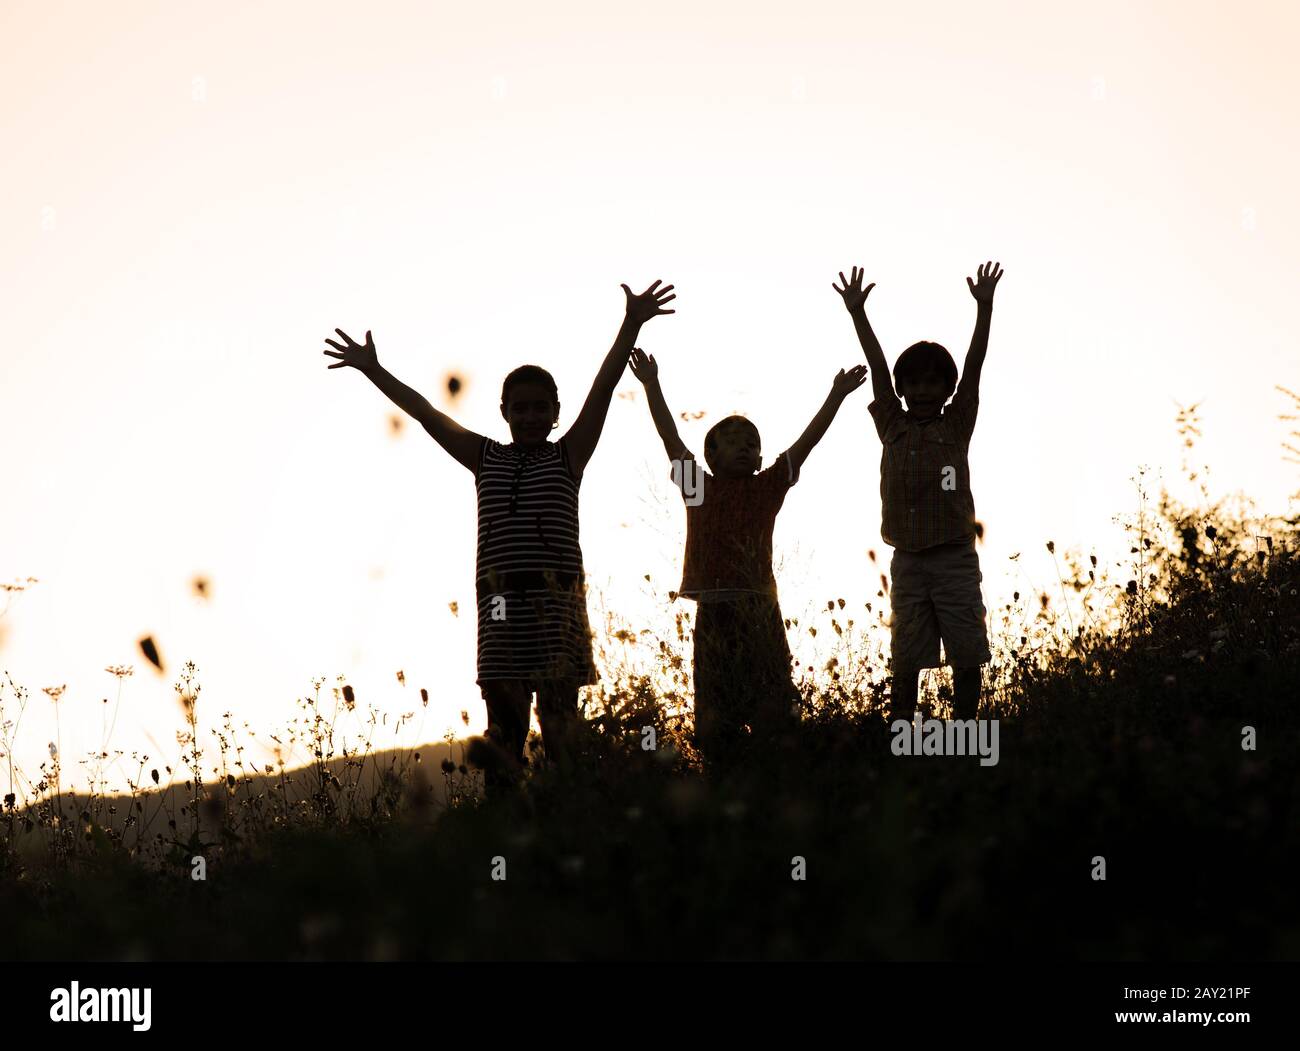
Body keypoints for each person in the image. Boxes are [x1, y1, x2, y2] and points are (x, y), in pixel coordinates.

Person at [322, 279, 676, 794]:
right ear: (504, 411)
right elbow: (426, 413)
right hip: (500, 609)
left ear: (556, 412)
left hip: (556, 606)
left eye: (541, 408)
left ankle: (568, 823)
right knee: (504, 737)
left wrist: (631, 324)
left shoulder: (568, 456)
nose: (531, 417)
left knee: (562, 733)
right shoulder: (485, 457)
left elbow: (601, 391)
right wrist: (374, 369)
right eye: (520, 407)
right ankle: (503, 839)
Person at [628, 345, 867, 774]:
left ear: (760, 458)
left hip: (759, 609)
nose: (744, 447)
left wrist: (837, 394)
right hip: (715, 610)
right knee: (717, 719)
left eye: (751, 443)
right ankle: (725, 784)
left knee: (773, 712)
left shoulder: (767, 487)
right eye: (732, 441)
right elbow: (670, 438)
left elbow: (805, 443)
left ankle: (773, 781)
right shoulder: (697, 489)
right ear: (710, 458)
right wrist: (651, 384)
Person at [832, 261, 1005, 722]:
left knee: (967, 653)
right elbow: (876, 364)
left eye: (935, 382)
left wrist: (984, 308)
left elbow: (975, 365)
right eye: (916, 382)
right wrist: (857, 313)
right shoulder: (892, 425)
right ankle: (902, 732)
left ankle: (965, 730)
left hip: (953, 557)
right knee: (906, 655)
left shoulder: (957, 424)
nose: (925, 390)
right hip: (907, 559)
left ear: (948, 389)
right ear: (903, 388)